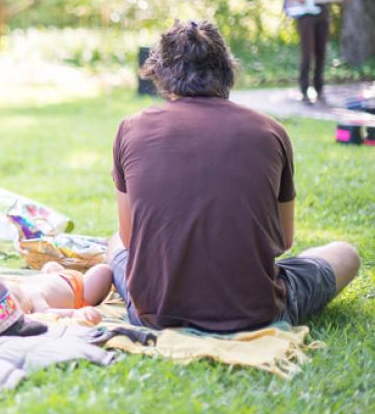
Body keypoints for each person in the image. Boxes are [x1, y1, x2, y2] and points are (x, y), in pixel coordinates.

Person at [108, 20, 360, 332]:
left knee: (112, 243)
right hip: (256, 310)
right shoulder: (269, 130)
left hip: (155, 311)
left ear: (159, 73)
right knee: (345, 254)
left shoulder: (130, 128)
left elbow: (130, 239)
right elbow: (283, 239)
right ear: (227, 69)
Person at [269, 0, 336, 104]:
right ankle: (304, 90)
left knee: (321, 52)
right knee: (307, 53)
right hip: (304, 16)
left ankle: (319, 89)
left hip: (322, 12)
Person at [5, 261, 112, 324]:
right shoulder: (36, 307)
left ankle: (55, 270)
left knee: (50, 265)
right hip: (80, 290)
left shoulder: (25, 291)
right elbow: (48, 313)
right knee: (103, 270)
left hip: (58, 276)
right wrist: (75, 313)